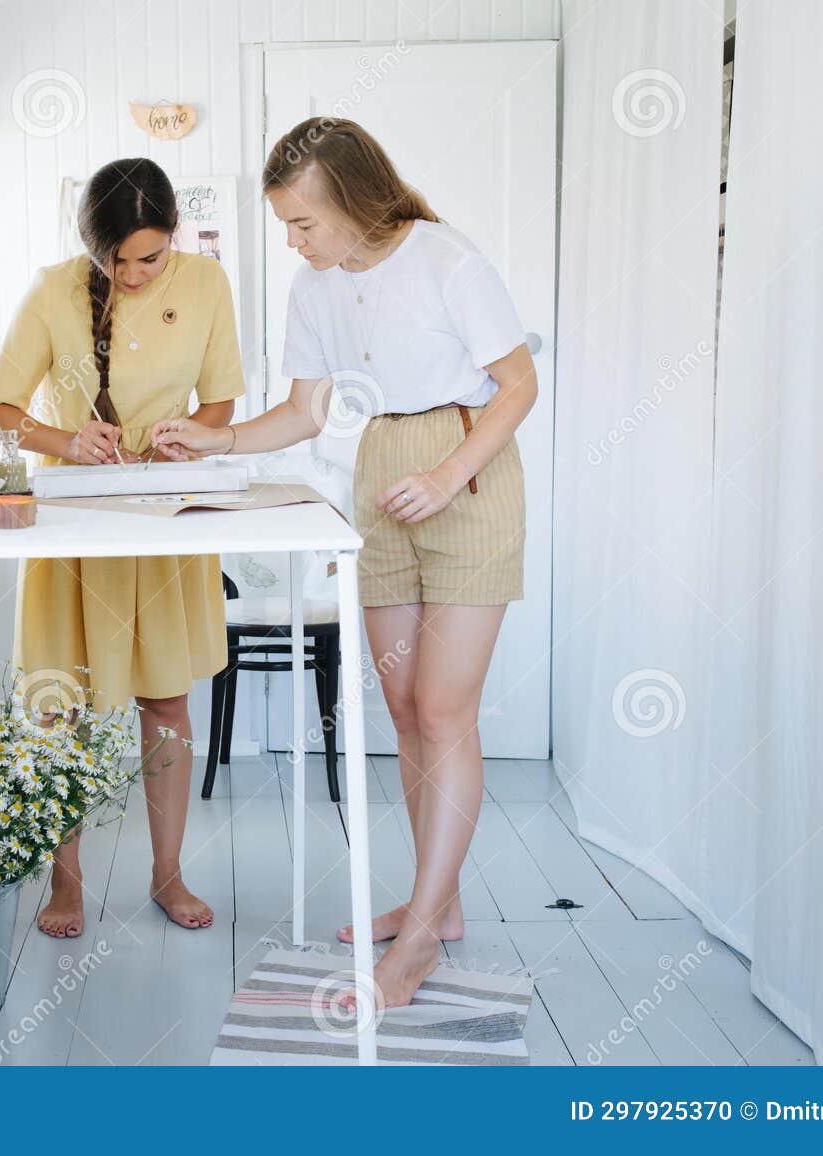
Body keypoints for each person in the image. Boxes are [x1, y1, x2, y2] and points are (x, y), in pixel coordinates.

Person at [151, 118, 537, 1007]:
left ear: (355, 203)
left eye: (303, 223)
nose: (292, 241)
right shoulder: (315, 287)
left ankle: (422, 941)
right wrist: (212, 442)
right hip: (381, 480)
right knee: (403, 705)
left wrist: (446, 474)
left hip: (466, 476)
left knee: (445, 710)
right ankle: (436, 905)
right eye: (285, 224)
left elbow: (519, 385)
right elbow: (302, 414)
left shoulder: (447, 260)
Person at [0, 157, 245, 937]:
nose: (131, 274)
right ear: (90, 245)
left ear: (177, 238)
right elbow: (0, 409)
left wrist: (186, 439)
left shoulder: (205, 286)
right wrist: (66, 437)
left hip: (165, 514)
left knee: (165, 697)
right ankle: (66, 885)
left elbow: (223, 399)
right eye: (114, 259)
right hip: (70, 523)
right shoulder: (54, 286)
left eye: (148, 258)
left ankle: (168, 873)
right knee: (58, 703)